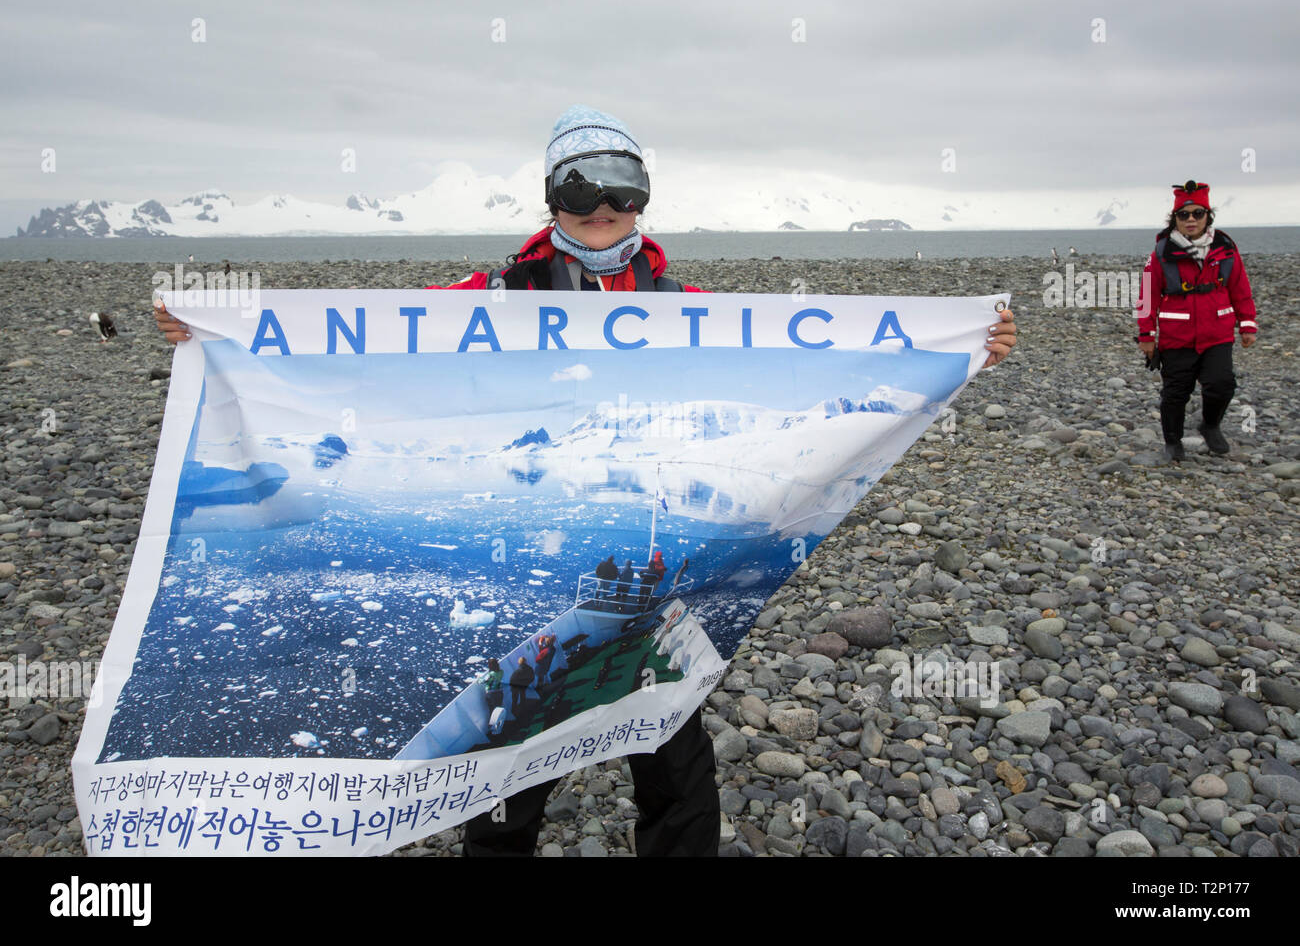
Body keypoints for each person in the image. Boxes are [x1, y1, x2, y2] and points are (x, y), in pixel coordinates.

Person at [153, 104, 1017, 857]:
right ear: (549, 195)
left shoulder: (691, 306)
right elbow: (364, 342)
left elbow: (800, 366)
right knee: (511, 762)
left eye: (624, 189)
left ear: (645, 197)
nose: (604, 209)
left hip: (657, 569)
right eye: (581, 187)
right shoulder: (493, 296)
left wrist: (959, 345)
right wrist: (220, 333)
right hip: (529, 567)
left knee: (673, 753)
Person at [1137, 180, 1257, 461]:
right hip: (1177, 336)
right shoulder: (1161, 254)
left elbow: (1240, 287)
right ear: (1175, 219)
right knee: (1176, 392)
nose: (1191, 220)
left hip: (1217, 333)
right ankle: (1173, 441)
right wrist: (1146, 336)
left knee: (1222, 384)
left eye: (1197, 213)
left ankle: (1210, 425)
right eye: (1183, 215)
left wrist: (1247, 324)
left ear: (1207, 216)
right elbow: (1147, 296)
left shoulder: (1225, 249)